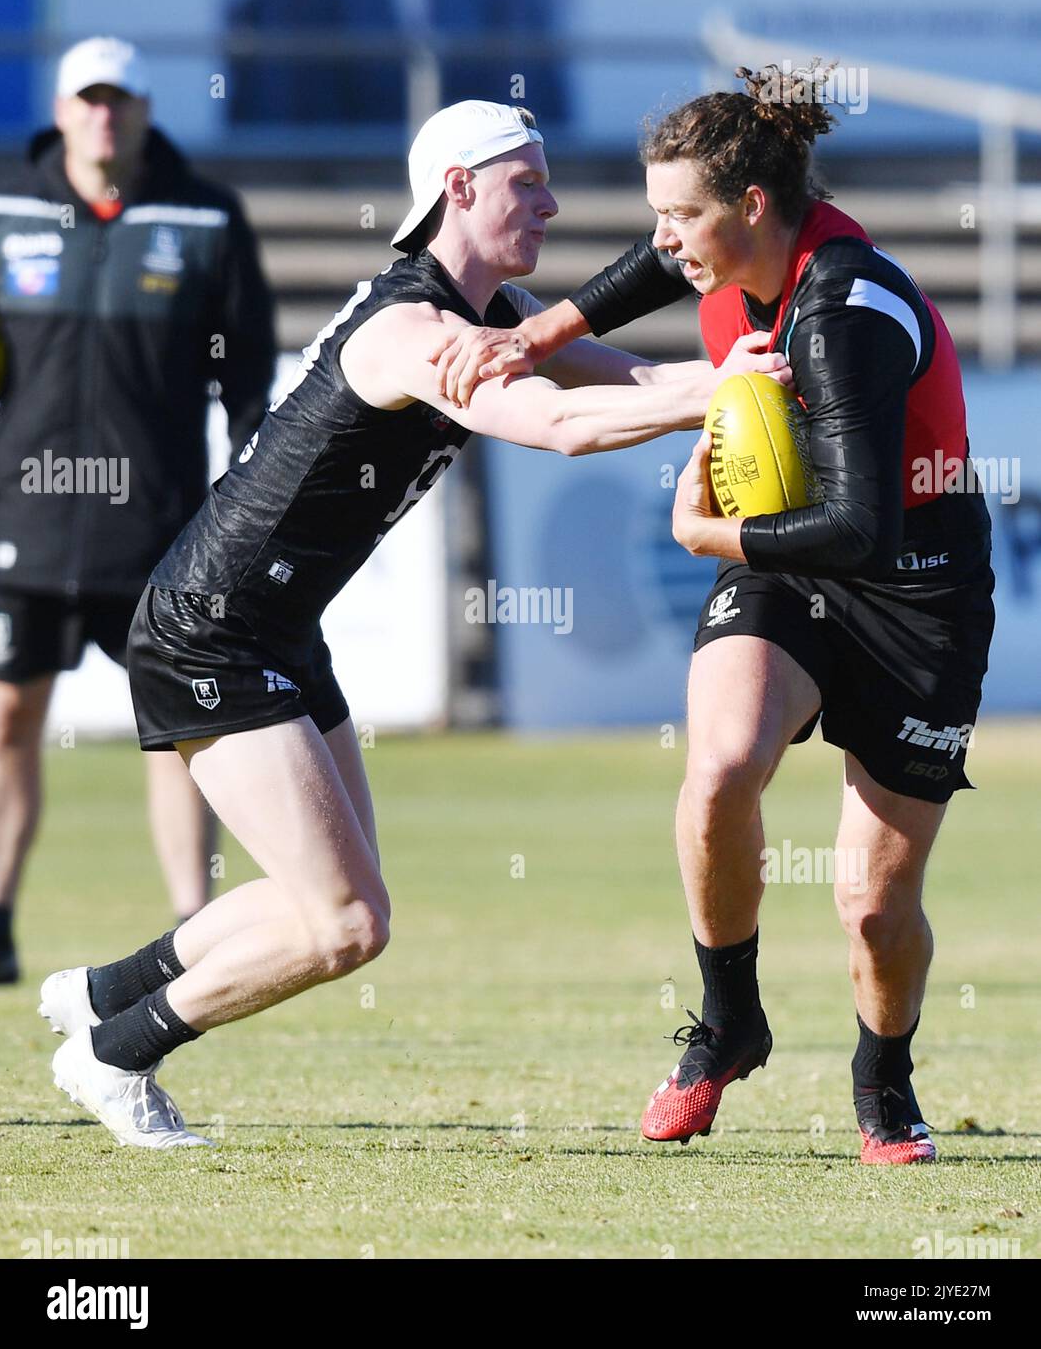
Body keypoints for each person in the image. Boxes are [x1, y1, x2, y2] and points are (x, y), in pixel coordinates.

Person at [38, 100, 788, 1149]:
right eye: (529, 183)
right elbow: (564, 426)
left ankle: (102, 989)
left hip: (281, 629)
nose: (552, 200)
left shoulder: (493, 313)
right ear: (461, 188)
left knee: (343, 903)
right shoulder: (408, 329)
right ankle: (113, 1053)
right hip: (213, 631)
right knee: (343, 924)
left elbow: (648, 382)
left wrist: (757, 373)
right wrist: (725, 389)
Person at [428, 65, 995, 1165]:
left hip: (911, 573)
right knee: (721, 766)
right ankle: (729, 1019)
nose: (664, 238)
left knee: (874, 909)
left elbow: (862, 529)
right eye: (656, 211)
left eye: (682, 213)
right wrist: (535, 335)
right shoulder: (736, 241)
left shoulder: (843, 308)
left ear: (749, 208)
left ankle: (885, 1076)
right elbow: (653, 266)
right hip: (791, 560)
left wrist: (705, 538)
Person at [0, 36, 276, 980]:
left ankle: (194, 929)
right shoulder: (5, 211)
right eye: (88, 100)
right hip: (22, 524)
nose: (103, 115)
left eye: (120, 99)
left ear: (147, 111)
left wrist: (243, 504)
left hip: (156, 528)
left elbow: (246, 379)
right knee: (6, 718)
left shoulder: (204, 217)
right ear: (63, 110)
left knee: (179, 729)